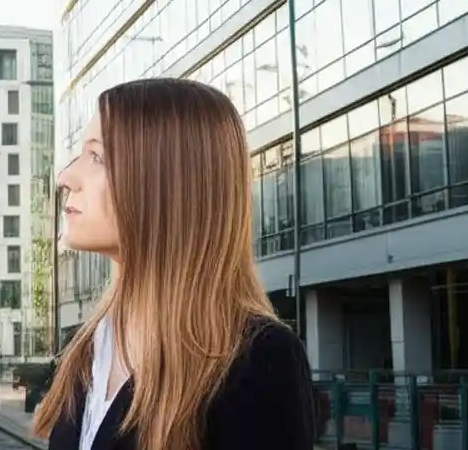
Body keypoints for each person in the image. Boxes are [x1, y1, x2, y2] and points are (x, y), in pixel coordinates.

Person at [32, 78, 316, 450]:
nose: (66, 177)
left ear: (164, 181)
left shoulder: (257, 362)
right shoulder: (87, 351)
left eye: (97, 157)